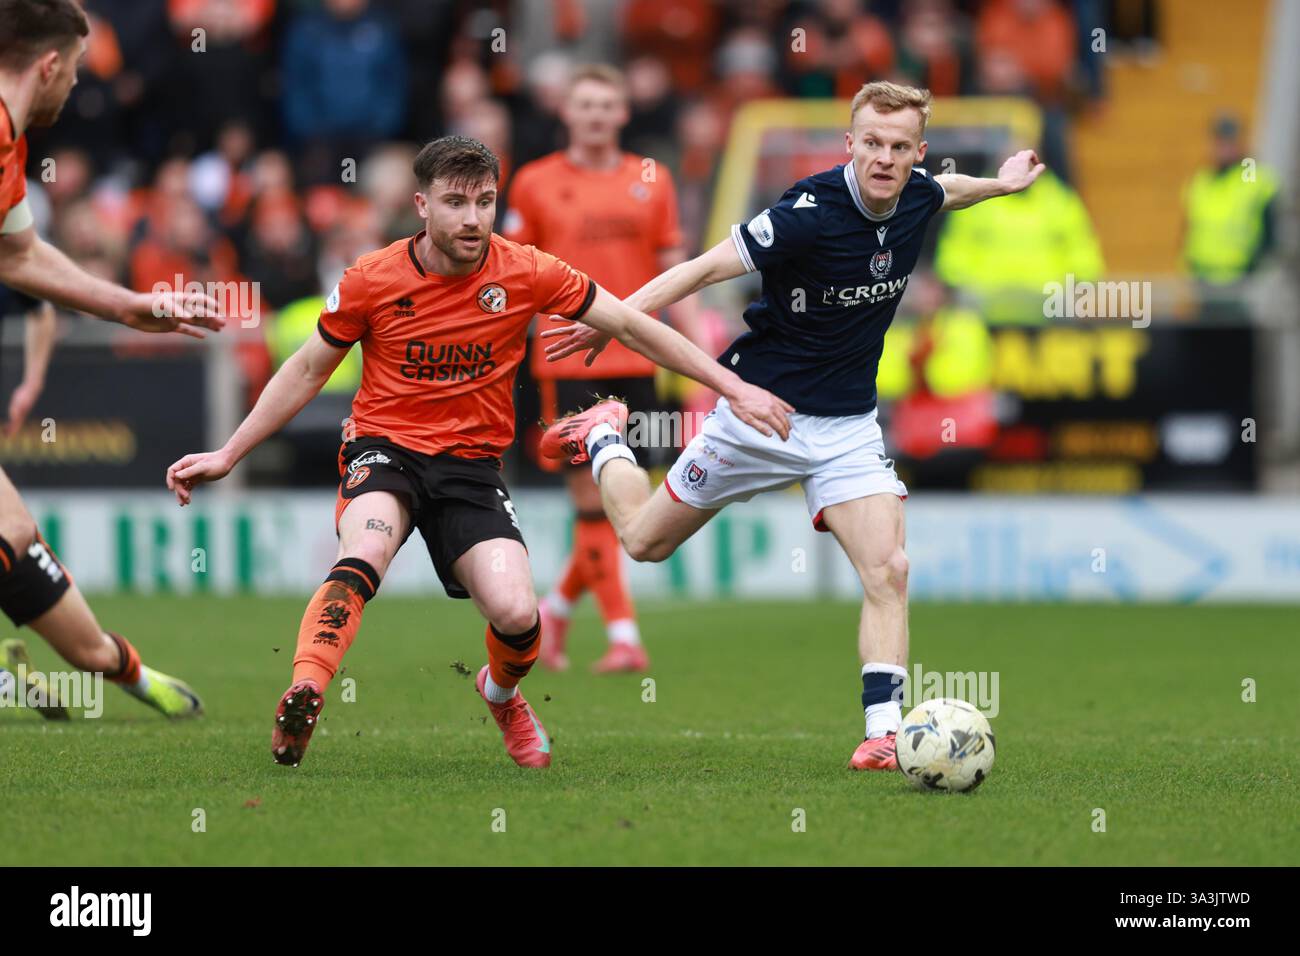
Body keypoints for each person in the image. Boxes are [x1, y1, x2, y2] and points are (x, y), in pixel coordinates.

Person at [165, 135, 790, 769]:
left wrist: (732, 388)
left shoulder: (526, 269)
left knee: (518, 613)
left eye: (485, 202)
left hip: (470, 467)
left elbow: (632, 325)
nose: (472, 218)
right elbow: (304, 370)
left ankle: (502, 695)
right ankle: (308, 687)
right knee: (367, 548)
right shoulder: (371, 279)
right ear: (422, 205)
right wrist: (229, 453)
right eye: (456, 202)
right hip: (385, 449)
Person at [540, 82, 1043, 771]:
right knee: (643, 542)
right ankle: (602, 434)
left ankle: (884, 733)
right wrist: (613, 320)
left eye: (900, 148)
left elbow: (946, 190)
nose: (885, 159)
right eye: (872, 143)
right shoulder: (808, 212)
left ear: (916, 153)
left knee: (889, 569)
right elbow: (702, 267)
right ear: (850, 143)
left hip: (847, 430)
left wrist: (1003, 184)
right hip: (759, 414)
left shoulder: (919, 193)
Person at [0, 0, 222, 719]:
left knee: (18, 538)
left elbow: (20, 253)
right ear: (51, 64)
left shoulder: (8, 140)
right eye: (78, 73)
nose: (78, 92)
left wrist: (127, 305)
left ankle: (116, 666)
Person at [504, 63, 703, 674]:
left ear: (623, 113)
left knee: (629, 509)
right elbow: (511, 276)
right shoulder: (534, 182)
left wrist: (702, 359)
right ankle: (624, 637)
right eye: (584, 104)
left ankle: (555, 614)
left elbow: (676, 269)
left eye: (605, 105)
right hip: (566, 360)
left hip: (638, 355)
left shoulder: (652, 178)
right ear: (566, 111)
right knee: (593, 503)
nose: (594, 115)